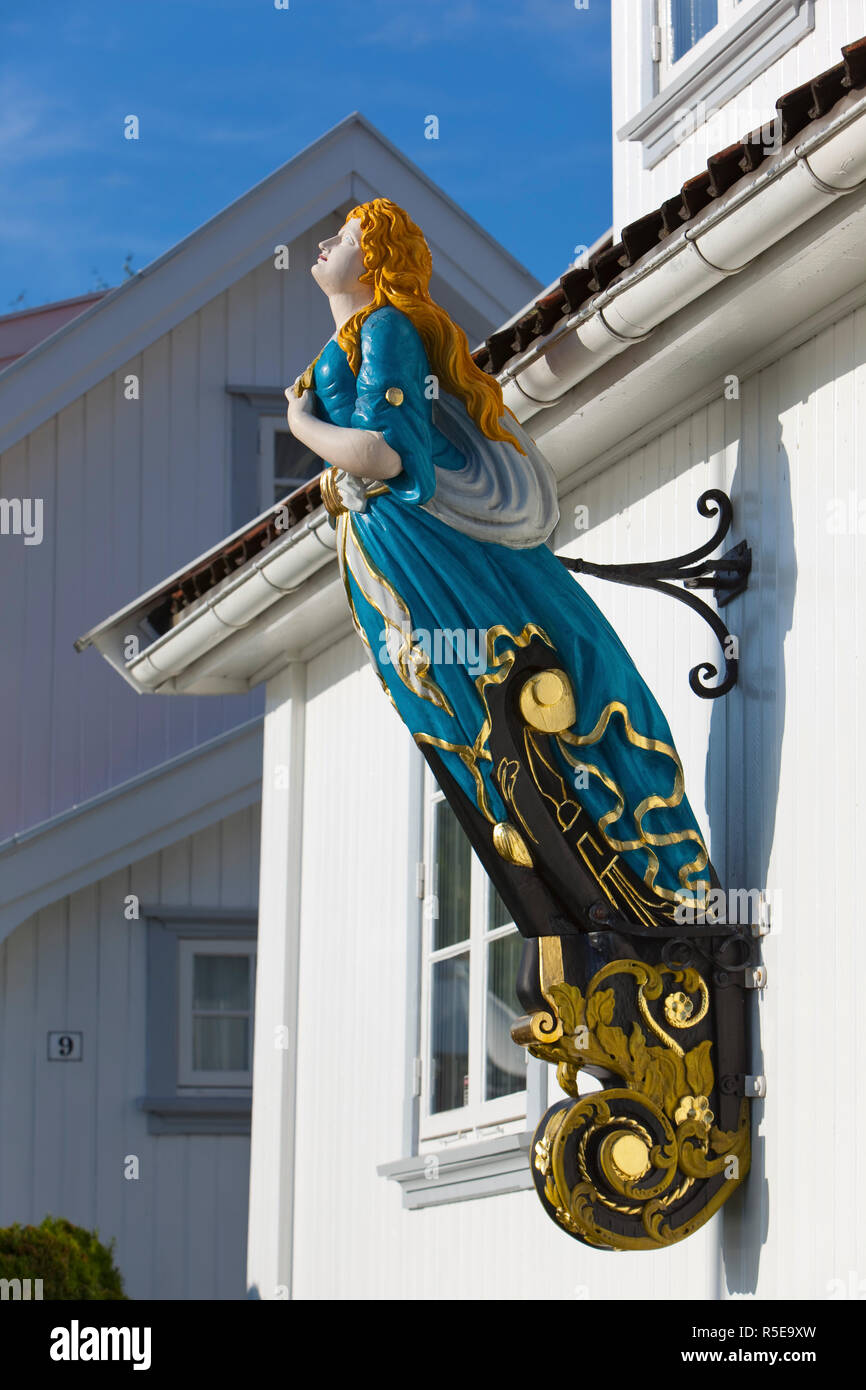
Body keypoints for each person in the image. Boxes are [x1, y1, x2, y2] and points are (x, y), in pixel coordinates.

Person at [285, 198, 712, 923]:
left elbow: (386, 454)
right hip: (387, 550)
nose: (323, 243)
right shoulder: (343, 347)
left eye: (346, 235)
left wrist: (298, 422)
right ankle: (579, 881)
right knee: (463, 706)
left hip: (422, 546)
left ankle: (640, 881)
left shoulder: (388, 328)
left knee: (497, 698)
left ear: (379, 258)